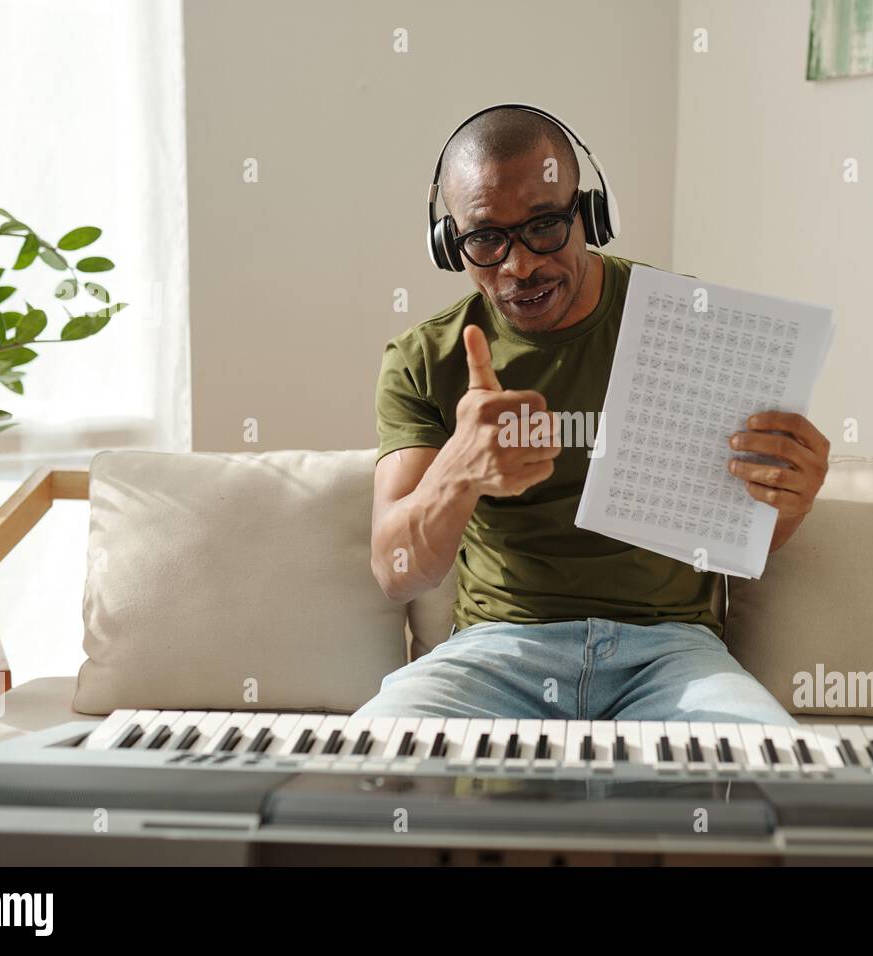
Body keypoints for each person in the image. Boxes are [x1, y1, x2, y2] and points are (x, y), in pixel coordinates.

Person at [355, 105, 830, 724]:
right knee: (363, 770)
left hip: (672, 657)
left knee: (772, 775)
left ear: (589, 216)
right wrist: (457, 474)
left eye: (546, 224)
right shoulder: (424, 359)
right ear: (451, 244)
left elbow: (741, 537)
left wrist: (789, 499)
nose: (519, 265)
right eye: (485, 237)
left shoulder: (689, 324)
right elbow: (397, 575)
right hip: (496, 653)